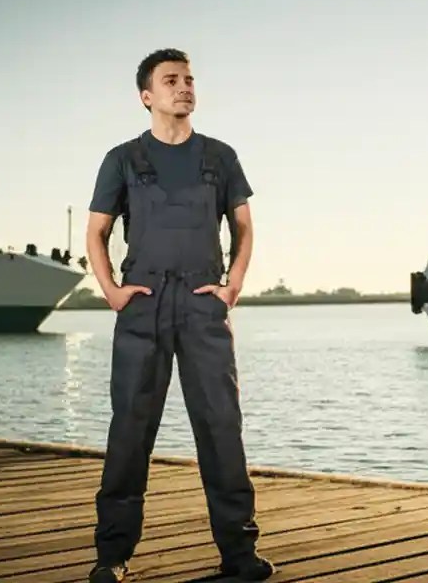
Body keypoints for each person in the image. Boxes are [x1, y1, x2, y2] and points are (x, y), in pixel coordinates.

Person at [85, 48, 273, 583]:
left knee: (221, 427)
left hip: (202, 306)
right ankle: (113, 556)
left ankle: (240, 555)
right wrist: (112, 291)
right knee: (130, 430)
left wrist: (233, 283)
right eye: (171, 80)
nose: (184, 87)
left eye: (189, 79)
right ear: (148, 96)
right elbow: (95, 233)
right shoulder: (122, 159)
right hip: (142, 307)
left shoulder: (220, 157)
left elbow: (244, 227)